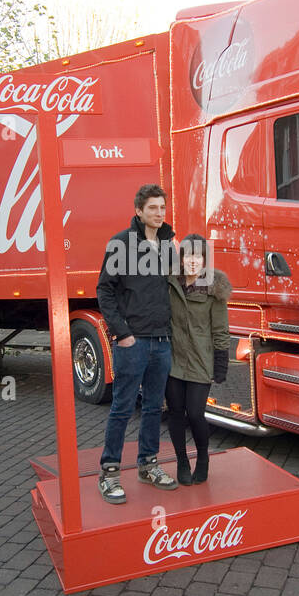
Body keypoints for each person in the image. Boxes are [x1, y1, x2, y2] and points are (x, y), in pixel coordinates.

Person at [96, 184, 180, 503]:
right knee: (121, 408)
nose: (160, 213)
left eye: (162, 208)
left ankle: (148, 464)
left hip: (162, 340)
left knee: (154, 407)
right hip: (133, 342)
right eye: (153, 208)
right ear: (139, 211)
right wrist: (122, 332)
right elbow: (104, 290)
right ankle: (109, 472)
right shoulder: (121, 244)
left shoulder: (168, 245)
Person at [166, 234, 231, 485]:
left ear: (204, 258)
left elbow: (220, 329)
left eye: (198, 255)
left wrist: (221, 363)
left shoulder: (214, 286)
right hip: (173, 360)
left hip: (201, 361)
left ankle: (203, 458)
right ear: (181, 258)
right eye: (188, 255)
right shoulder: (170, 283)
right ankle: (182, 461)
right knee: (175, 413)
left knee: (195, 414)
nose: (193, 261)